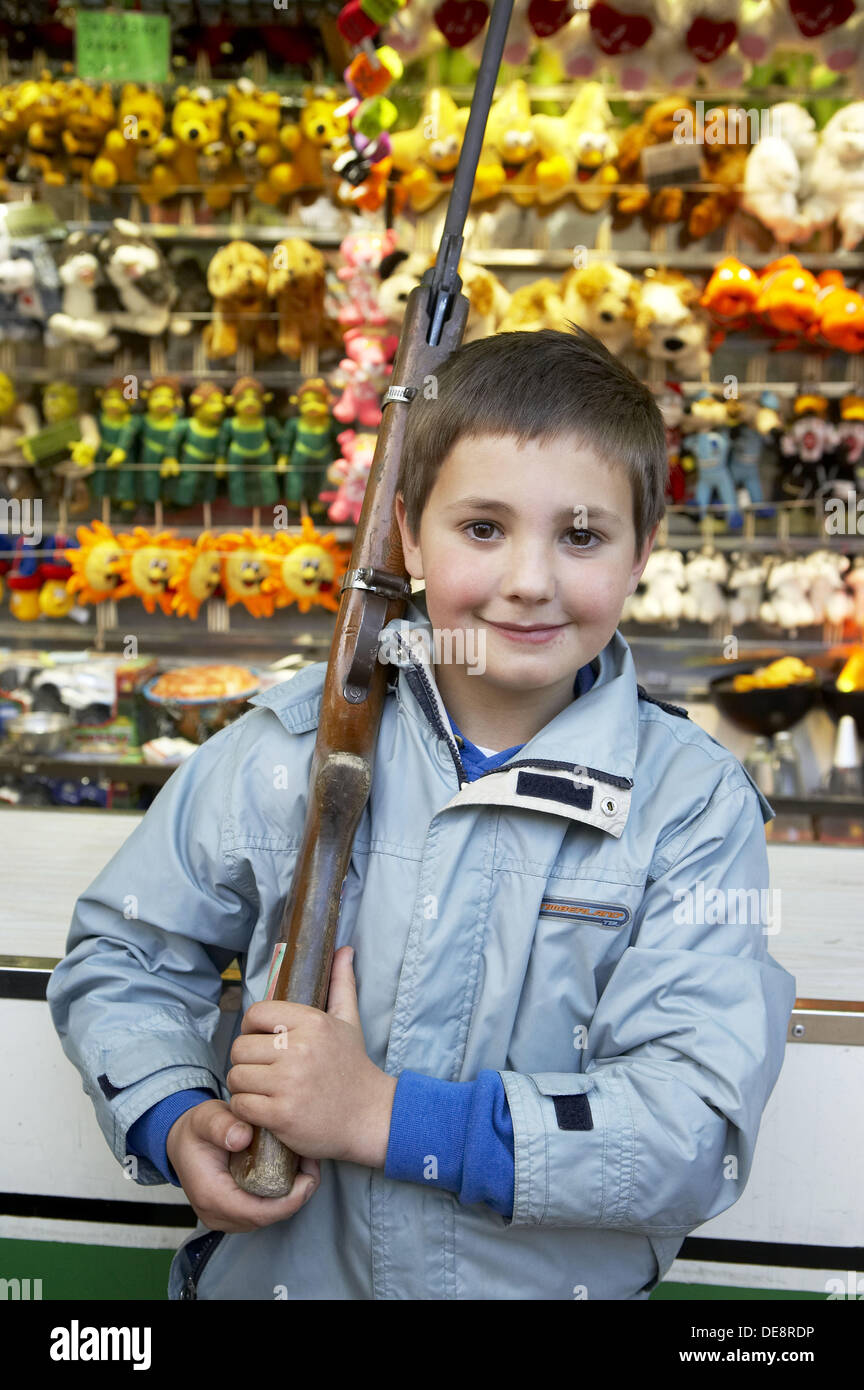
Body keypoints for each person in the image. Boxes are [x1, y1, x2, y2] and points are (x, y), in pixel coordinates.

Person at [47, 327, 796, 1301]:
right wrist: (175, 1112)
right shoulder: (287, 747)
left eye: (581, 535)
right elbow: (124, 954)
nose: (529, 579)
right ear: (408, 534)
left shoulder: (691, 806)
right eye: (482, 528)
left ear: (644, 548)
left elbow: (691, 1126)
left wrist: (385, 1118)